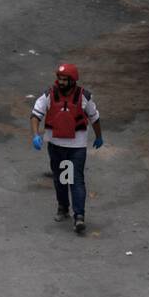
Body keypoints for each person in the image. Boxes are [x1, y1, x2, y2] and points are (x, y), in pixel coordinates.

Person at [30, 61, 103, 235]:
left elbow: (94, 117)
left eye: (65, 79)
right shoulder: (49, 95)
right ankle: (63, 207)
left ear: (72, 80)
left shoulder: (84, 96)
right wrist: (35, 135)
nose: (61, 82)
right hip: (56, 145)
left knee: (76, 180)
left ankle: (79, 216)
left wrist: (99, 137)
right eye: (59, 79)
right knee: (62, 178)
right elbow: (35, 115)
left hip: (76, 147)